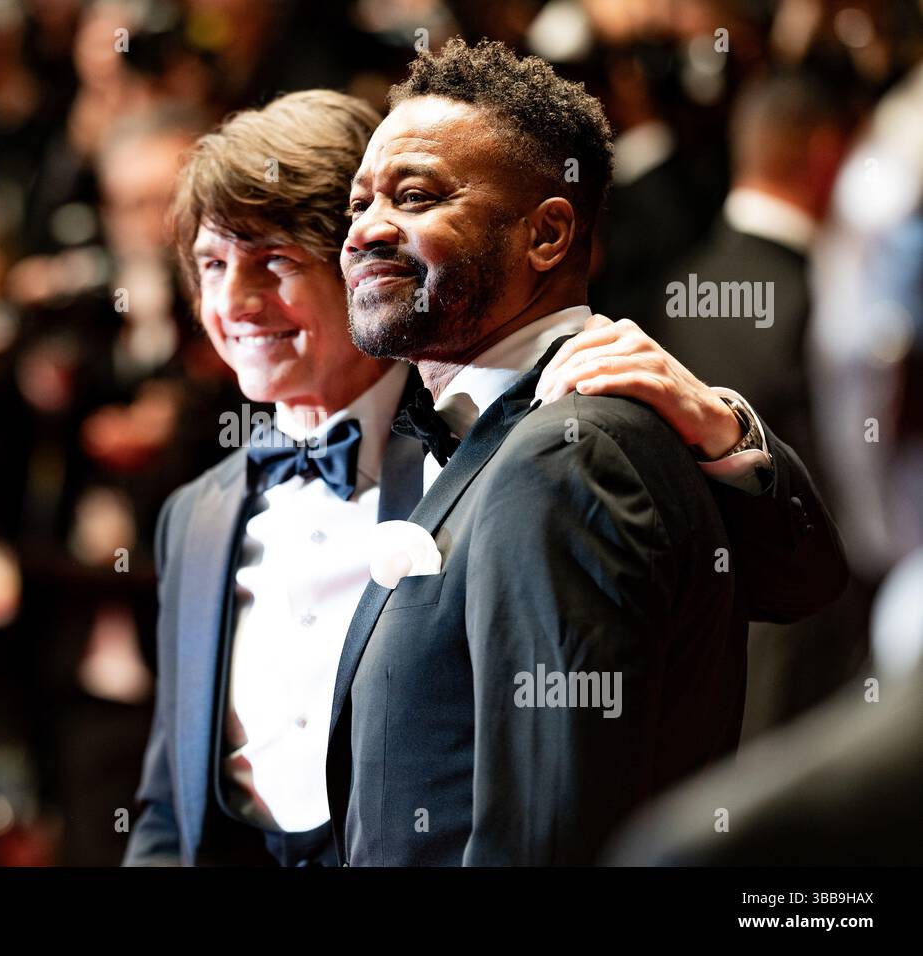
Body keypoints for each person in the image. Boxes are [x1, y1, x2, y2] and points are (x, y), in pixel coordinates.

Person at [126, 80, 844, 866]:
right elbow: (169, 807)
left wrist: (726, 426)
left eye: (273, 260)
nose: (235, 300)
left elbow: (797, 585)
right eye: (210, 263)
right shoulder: (208, 508)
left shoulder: (540, 435)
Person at [326, 38, 846, 866]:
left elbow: (547, 835)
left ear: (548, 233)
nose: (366, 231)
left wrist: (730, 432)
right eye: (358, 205)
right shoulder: (478, 436)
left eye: (414, 196)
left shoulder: (565, 454)